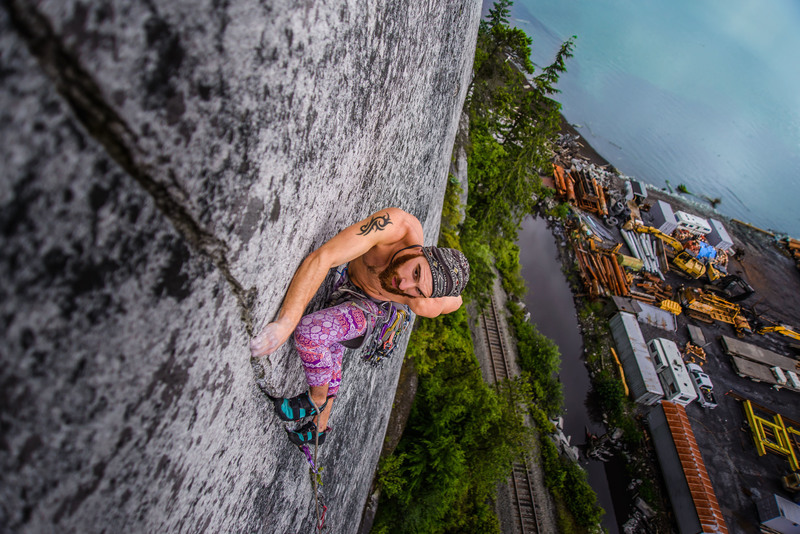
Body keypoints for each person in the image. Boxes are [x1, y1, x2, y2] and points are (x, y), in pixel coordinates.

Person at [249, 207, 470, 446]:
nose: (405, 284)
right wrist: (286, 322)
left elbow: (454, 303)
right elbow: (324, 258)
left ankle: (316, 400)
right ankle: (319, 427)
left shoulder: (421, 302)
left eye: (418, 289)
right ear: (421, 251)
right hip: (345, 278)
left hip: (369, 306)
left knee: (311, 333)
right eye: (415, 271)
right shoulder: (394, 227)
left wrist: (439, 293)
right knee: (330, 347)